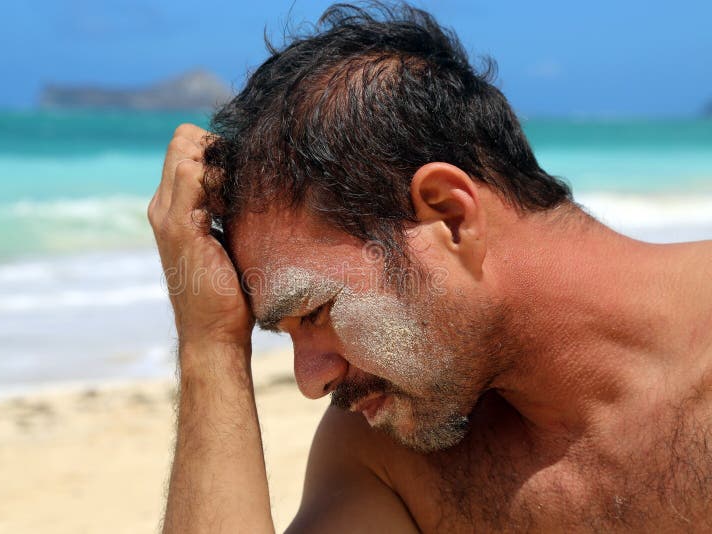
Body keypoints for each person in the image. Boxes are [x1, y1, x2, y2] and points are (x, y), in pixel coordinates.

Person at [149, 3, 712, 532]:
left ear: (450, 217)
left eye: (315, 312)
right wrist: (211, 345)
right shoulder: (388, 459)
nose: (310, 381)